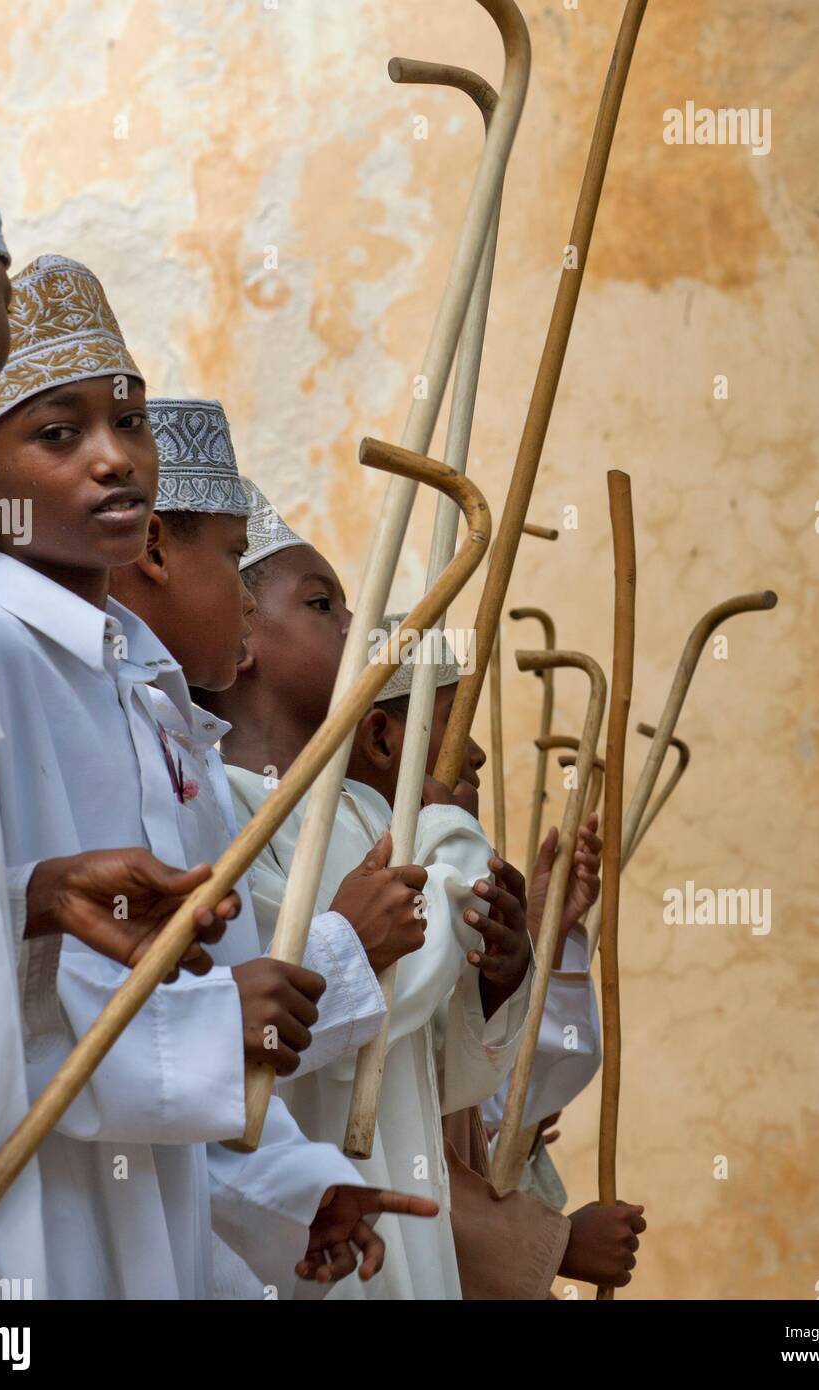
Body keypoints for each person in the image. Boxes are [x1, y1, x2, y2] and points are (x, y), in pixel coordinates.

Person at [0, 119, 227, 1301]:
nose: (119, 461)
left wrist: (32, 900)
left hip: (94, 1174)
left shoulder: (135, 671)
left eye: (129, 423)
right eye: (59, 429)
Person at [112, 396, 442, 1295]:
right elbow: (184, 1004)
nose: (351, 628)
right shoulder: (203, 784)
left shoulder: (351, 811)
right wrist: (348, 946)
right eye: (323, 604)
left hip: (289, 1190)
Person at [200, 492, 537, 1299]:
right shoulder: (215, 806)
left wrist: (495, 973)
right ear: (242, 634)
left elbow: (432, 1065)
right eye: (323, 607)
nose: (357, 632)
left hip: (402, 1205)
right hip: (298, 1212)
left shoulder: (369, 813)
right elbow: (309, 988)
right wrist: (450, 835)